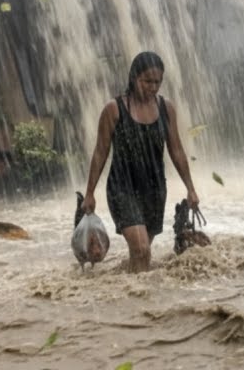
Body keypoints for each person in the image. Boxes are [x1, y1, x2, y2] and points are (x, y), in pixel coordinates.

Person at [81, 51, 198, 272]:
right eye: (147, 81)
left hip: (154, 189)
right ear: (134, 78)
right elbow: (99, 153)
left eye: (157, 82)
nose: (153, 87)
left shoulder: (166, 109)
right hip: (122, 188)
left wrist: (190, 188)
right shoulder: (114, 110)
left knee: (141, 254)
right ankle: (137, 300)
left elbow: (177, 150)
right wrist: (90, 192)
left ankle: (131, 296)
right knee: (142, 248)